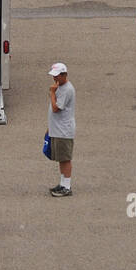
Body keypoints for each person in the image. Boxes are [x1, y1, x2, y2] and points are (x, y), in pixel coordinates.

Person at [47, 61, 75, 197]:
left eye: (57, 76)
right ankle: (62, 183)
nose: (55, 79)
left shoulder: (67, 89)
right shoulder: (60, 87)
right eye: (54, 76)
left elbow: (56, 108)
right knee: (60, 158)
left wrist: (52, 93)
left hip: (64, 130)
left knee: (65, 158)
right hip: (57, 129)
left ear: (64, 75)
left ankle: (67, 186)